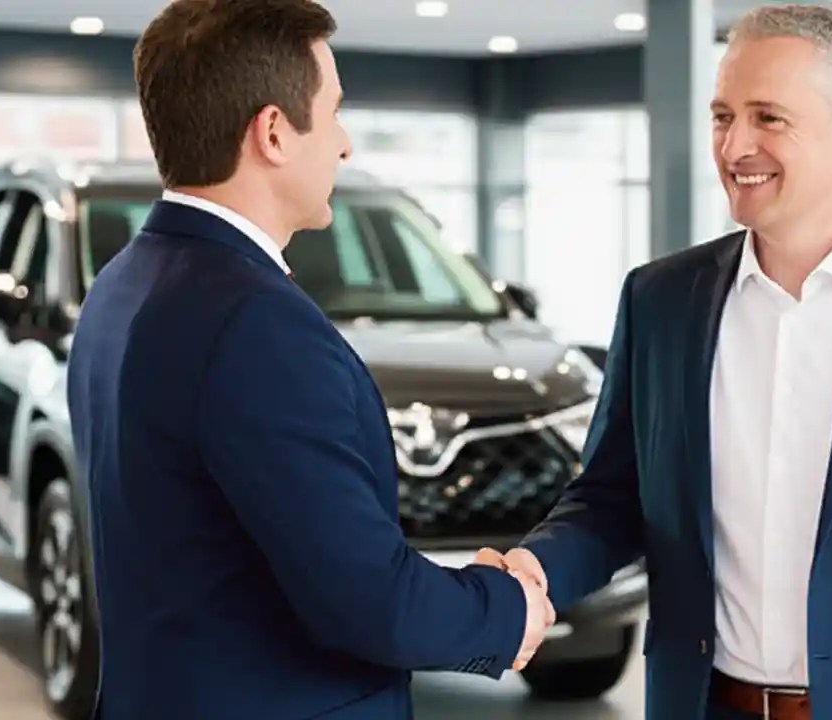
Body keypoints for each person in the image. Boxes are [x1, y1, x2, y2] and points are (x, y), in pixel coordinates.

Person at [478, 5, 832, 719]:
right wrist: (530, 572)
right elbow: (610, 499)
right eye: (722, 116)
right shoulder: (660, 300)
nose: (734, 146)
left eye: (767, 118)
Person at [65, 1, 552, 718]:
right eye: (332, 114)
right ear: (272, 133)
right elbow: (367, 604)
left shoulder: (123, 283)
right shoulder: (256, 324)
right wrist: (508, 608)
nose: (345, 144)